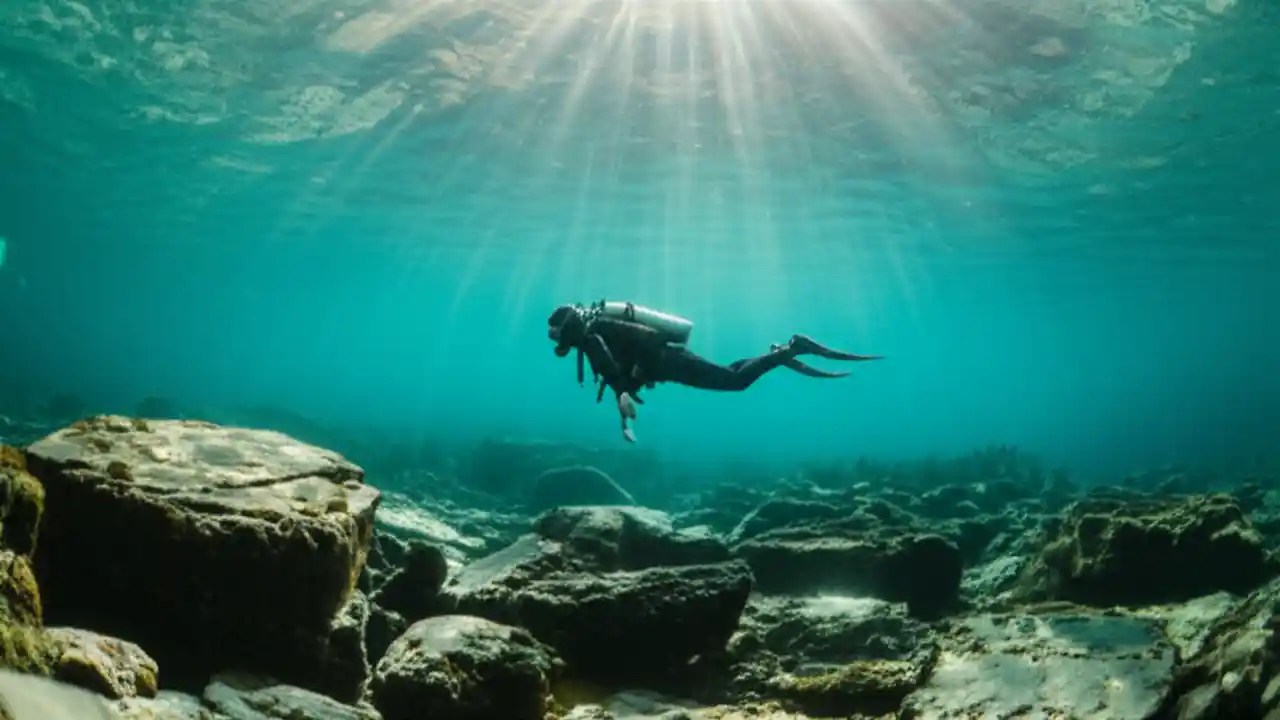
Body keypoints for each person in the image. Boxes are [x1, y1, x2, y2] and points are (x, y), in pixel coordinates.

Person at [547, 301, 882, 442]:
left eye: (558, 336)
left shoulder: (592, 340)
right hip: (671, 359)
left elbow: (613, 375)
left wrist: (625, 416)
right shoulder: (596, 330)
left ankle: (791, 350)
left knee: (734, 382)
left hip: (670, 363)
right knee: (729, 374)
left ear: (569, 331)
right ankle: (778, 354)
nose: (559, 343)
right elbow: (618, 372)